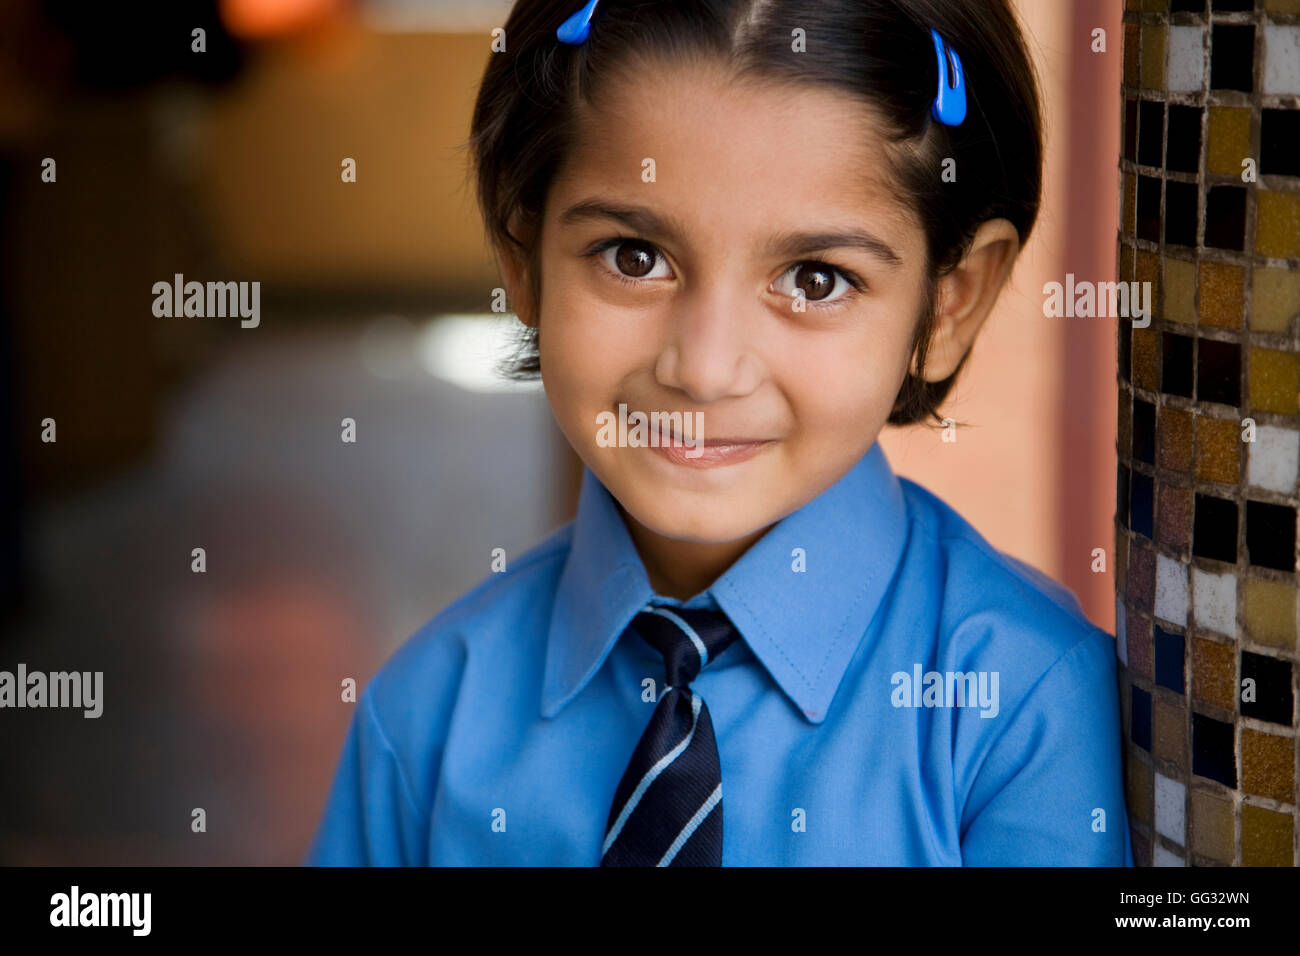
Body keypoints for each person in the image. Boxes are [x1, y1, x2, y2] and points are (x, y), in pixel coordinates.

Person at [306, 0, 1132, 866]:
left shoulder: (1021, 712)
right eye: (634, 256)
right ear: (523, 257)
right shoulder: (429, 714)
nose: (704, 368)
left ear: (951, 299)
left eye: (815, 279)